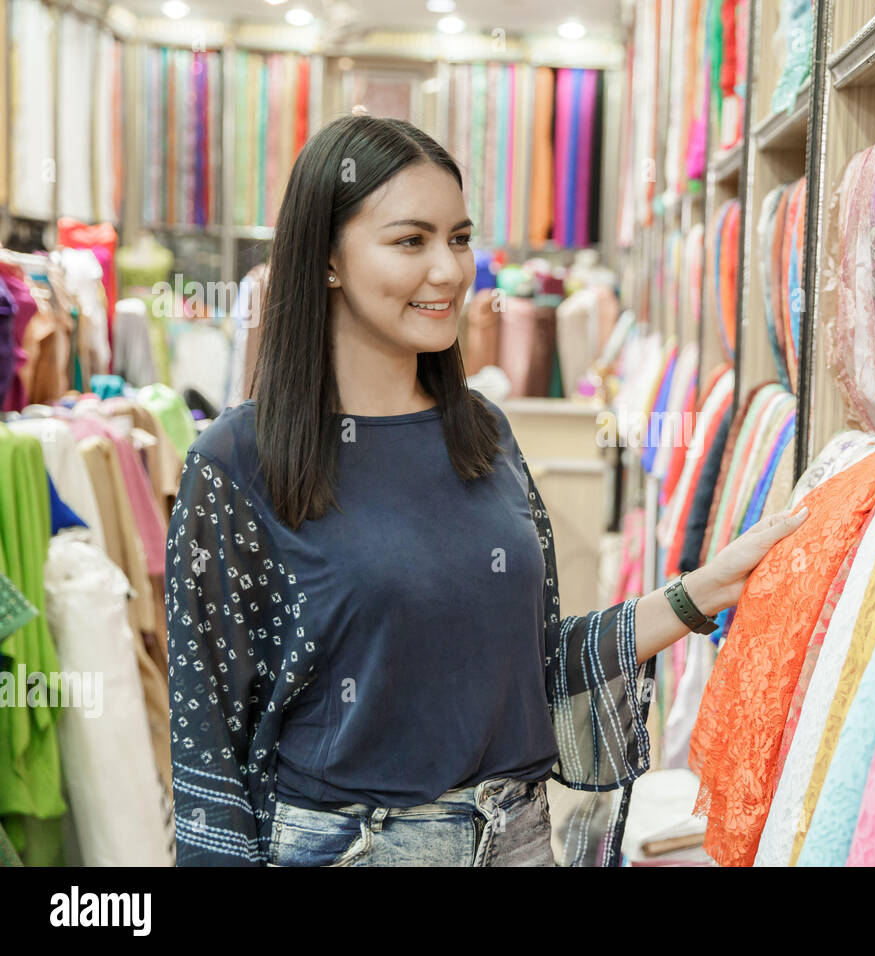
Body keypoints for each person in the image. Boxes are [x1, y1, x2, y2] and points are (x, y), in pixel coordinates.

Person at [164, 115, 810, 867]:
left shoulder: (483, 434)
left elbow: (532, 666)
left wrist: (704, 590)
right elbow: (207, 744)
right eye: (411, 241)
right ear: (328, 260)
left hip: (520, 840)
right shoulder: (237, 462)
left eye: (459, 238)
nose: (447, 269)